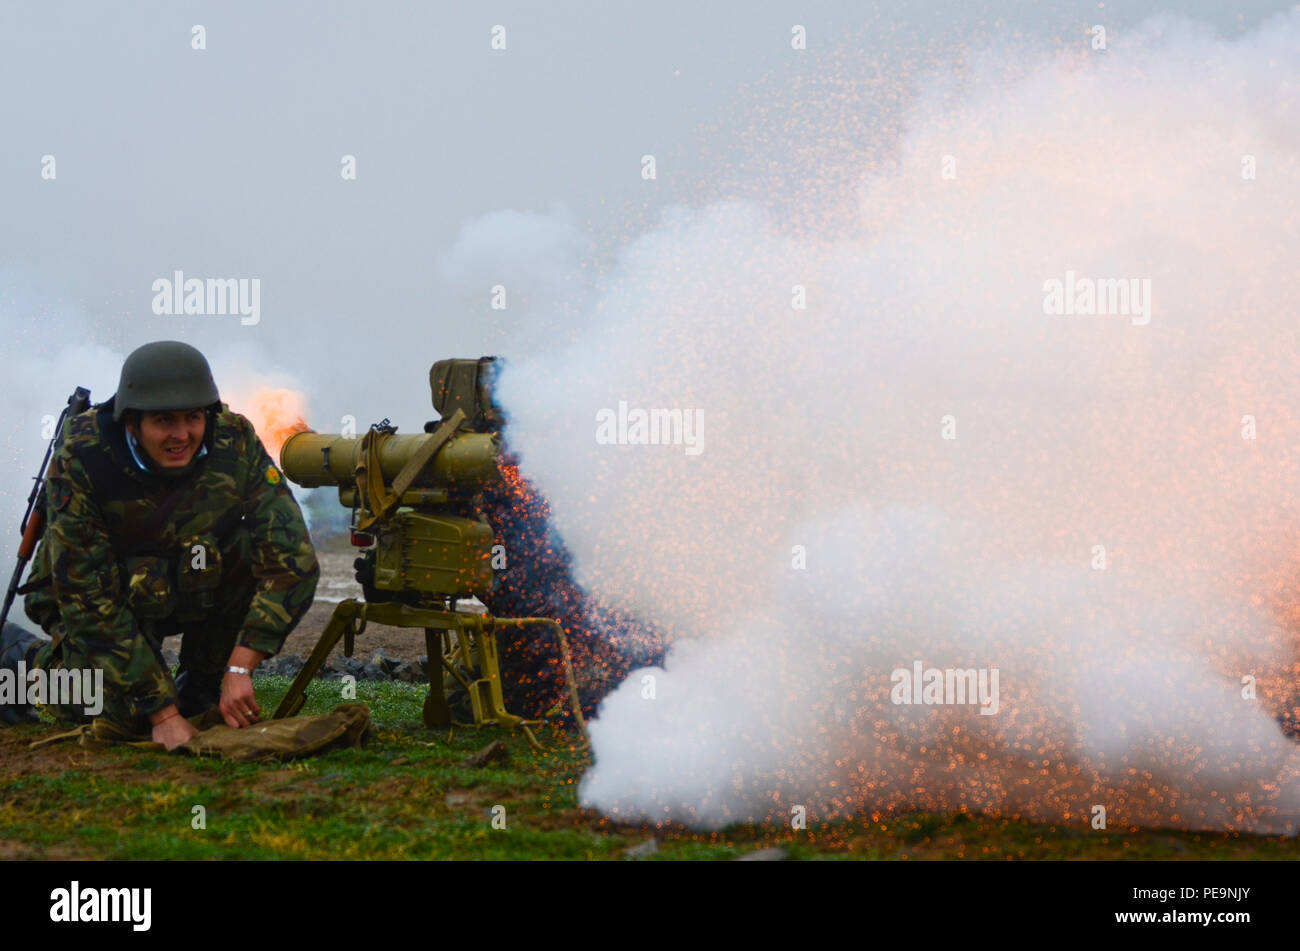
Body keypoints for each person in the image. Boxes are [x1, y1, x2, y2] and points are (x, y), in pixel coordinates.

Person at [0, 340, 319, 748]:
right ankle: (19, 659)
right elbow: (86, 595)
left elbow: (292, 558)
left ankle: (201, 683)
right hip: (96, 598)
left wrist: (240, 667)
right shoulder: (83, 455)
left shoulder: (233, 440)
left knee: (246, 548)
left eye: (193, 417)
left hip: (187, 579)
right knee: (115, 711)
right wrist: (161, 712)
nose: (181, 435)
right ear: (131, 421)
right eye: (164, 420)